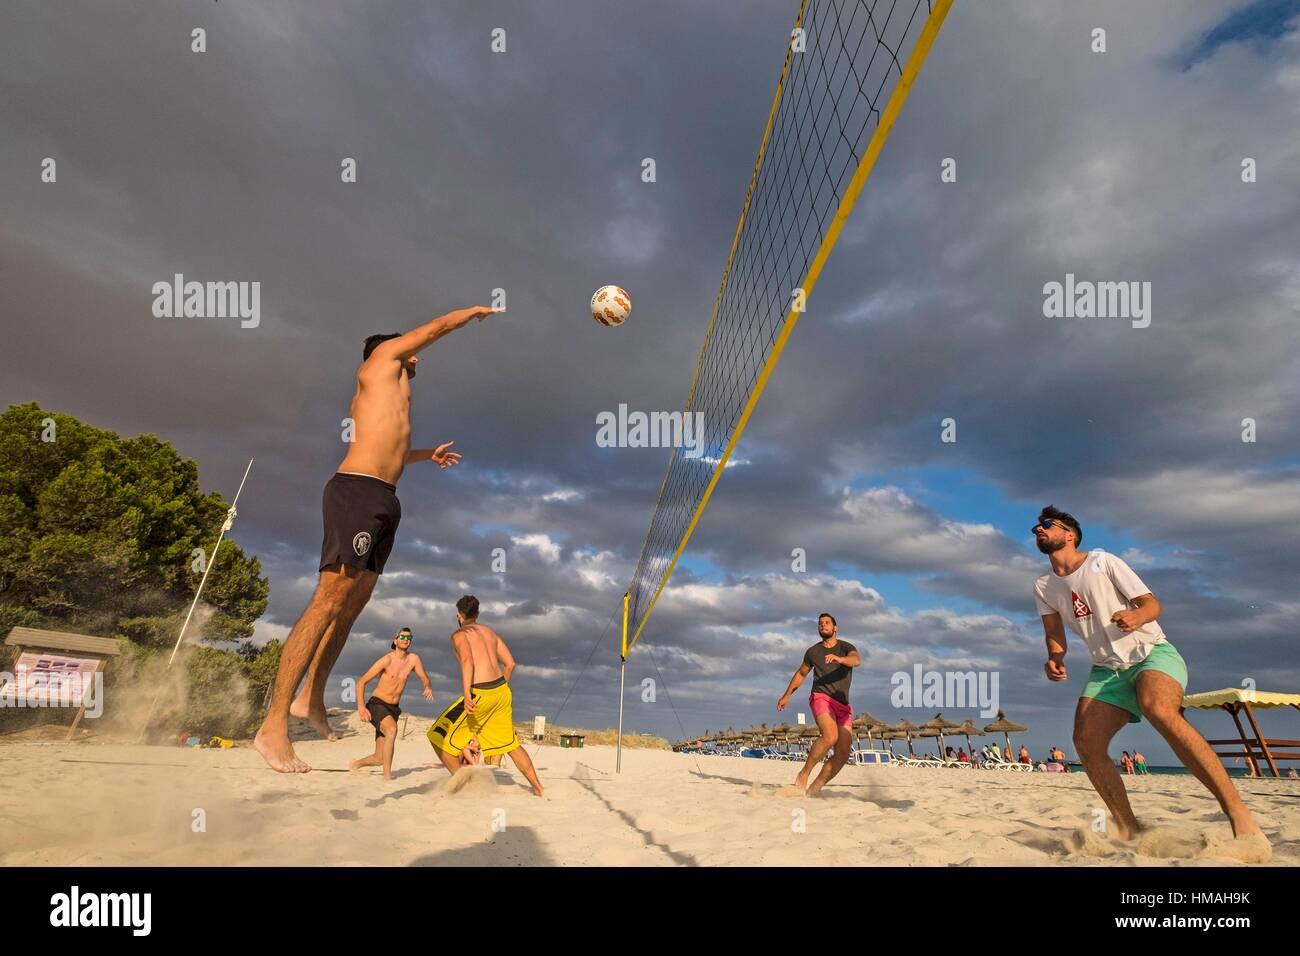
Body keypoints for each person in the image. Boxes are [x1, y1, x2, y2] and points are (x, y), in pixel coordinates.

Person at [254, 305, 502, 773]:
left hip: (385, 496)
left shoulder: (393, 397)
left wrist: (428, 455)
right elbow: (432, 330)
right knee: (327, 601)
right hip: (357, 492)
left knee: (350, 608)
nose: (417, 357)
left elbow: (393, 449)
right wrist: (471, 312)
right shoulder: (381, 359)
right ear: (389, 352)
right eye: (410, 352)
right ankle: (272, 727)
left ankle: (311, 697)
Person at [1033, 505, 1267, 856]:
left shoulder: (1103, 561)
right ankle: (1129, 827)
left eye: (1047, 524)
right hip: (1107, 669)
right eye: (1036, 526)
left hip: (1151, 653)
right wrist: (1055, 658)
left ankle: (1237, 811)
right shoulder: (1043, 586)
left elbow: (1151, 604)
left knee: (1158, 708)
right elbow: (1055, 635)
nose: (1038, 528)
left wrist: (1136, 615)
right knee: (1085, 743)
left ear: (1070, 535)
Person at [427, 595, 543, 796]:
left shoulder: (459, 635)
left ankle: (467, 786)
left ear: (458, 615)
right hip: (501, 691)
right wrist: (499, 688)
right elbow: (510, 664)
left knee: (438, 736)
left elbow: (467, 661)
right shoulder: (490, 632)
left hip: (480, 692)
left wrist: (466, 693)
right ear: (477, 614)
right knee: (511, 745)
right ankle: (539, 789)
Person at [777, 613, 861, 795]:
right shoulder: (813, 652)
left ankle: (815, 788)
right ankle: (804, 773)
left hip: (843, 705)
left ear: (835, 628)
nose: (823, 625)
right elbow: (801, 674)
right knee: (830, 736)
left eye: (827, 623)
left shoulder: (846, 647)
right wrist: (786, 695)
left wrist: (840, 659)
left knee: (843, 753)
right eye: (820, 623)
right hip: (821, 697)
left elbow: (856, 660)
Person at [349, 627, 433, 779]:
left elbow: (424, 676)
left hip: (393, 709)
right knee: (392, 730)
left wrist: (427, 685)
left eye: (409, 637)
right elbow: (361, 682)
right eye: (402, 636)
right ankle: (387, 777)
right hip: (377, 704)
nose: (405, 639)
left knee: (379, 758)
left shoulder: (413, 659)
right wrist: (361, 707)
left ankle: (356, 764)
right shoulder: (386, 660)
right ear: (395, 640)